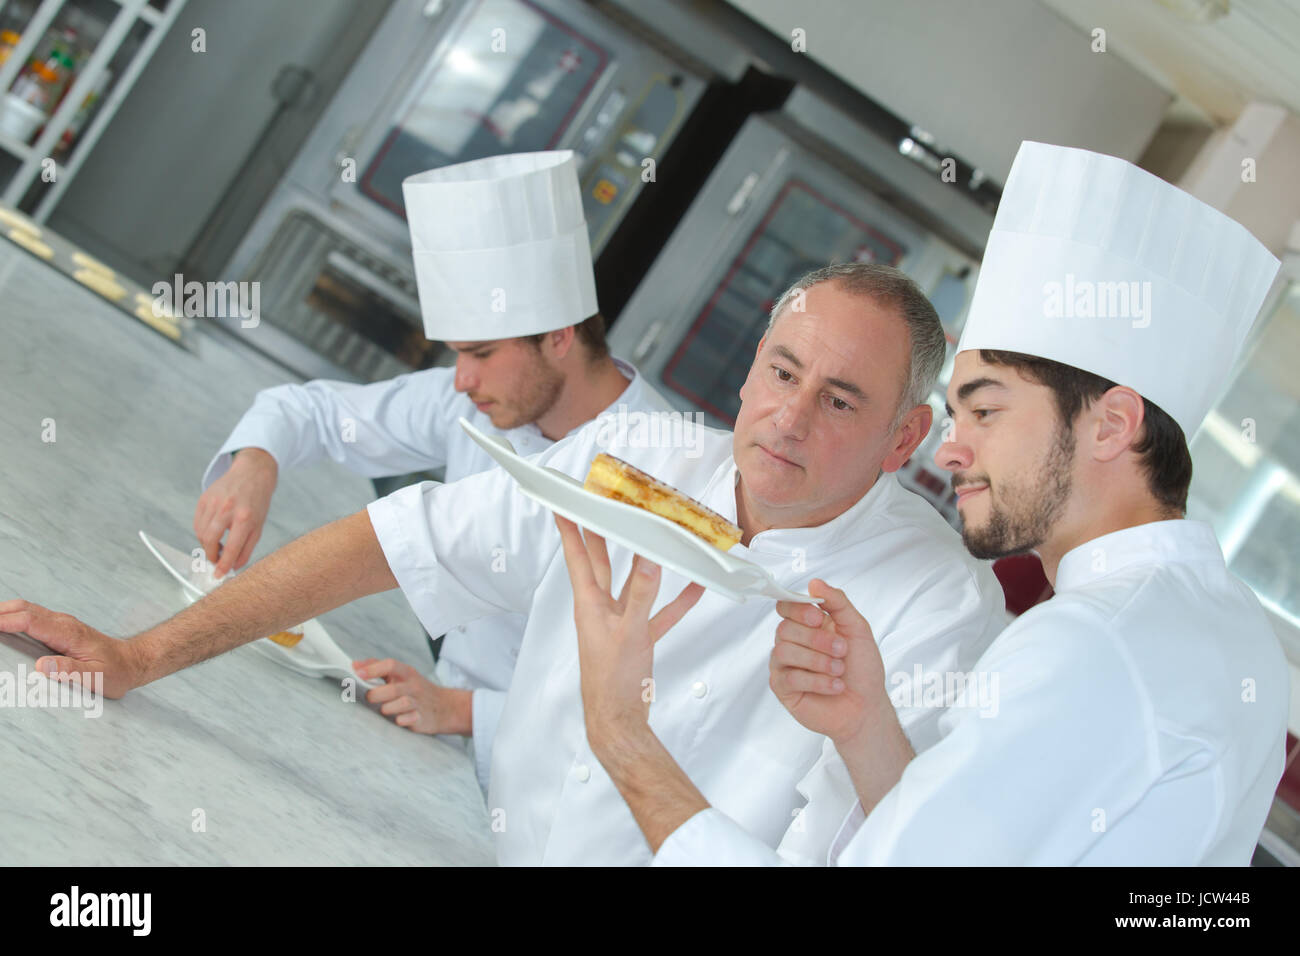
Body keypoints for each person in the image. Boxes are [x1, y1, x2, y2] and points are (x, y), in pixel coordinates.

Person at [4, 261, 1007, 865]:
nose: (788, 417)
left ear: (902, 435)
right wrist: (137, 656)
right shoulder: (647, 463)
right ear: (750, 368)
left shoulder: (934, 598)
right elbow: (393, 543)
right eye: (783, 372)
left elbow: (910, 840)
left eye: (839, 400)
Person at [557, 140, 1290, 865]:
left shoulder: (1087, 643)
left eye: (987, 411)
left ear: (1112, 425)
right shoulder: (1227, 632)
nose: (949, 450)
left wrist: (620, 730)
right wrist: (869, 728)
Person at [197, 150, 675, 793]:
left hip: (561, 792)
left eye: (480, 354)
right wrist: (255, 463)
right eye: (456, 355)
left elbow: (662, 695)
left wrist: (464, 711)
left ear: (559, 335)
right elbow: (310, 410)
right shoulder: (479, 400)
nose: (462, 380)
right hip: (438, 755)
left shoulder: (664, 472)